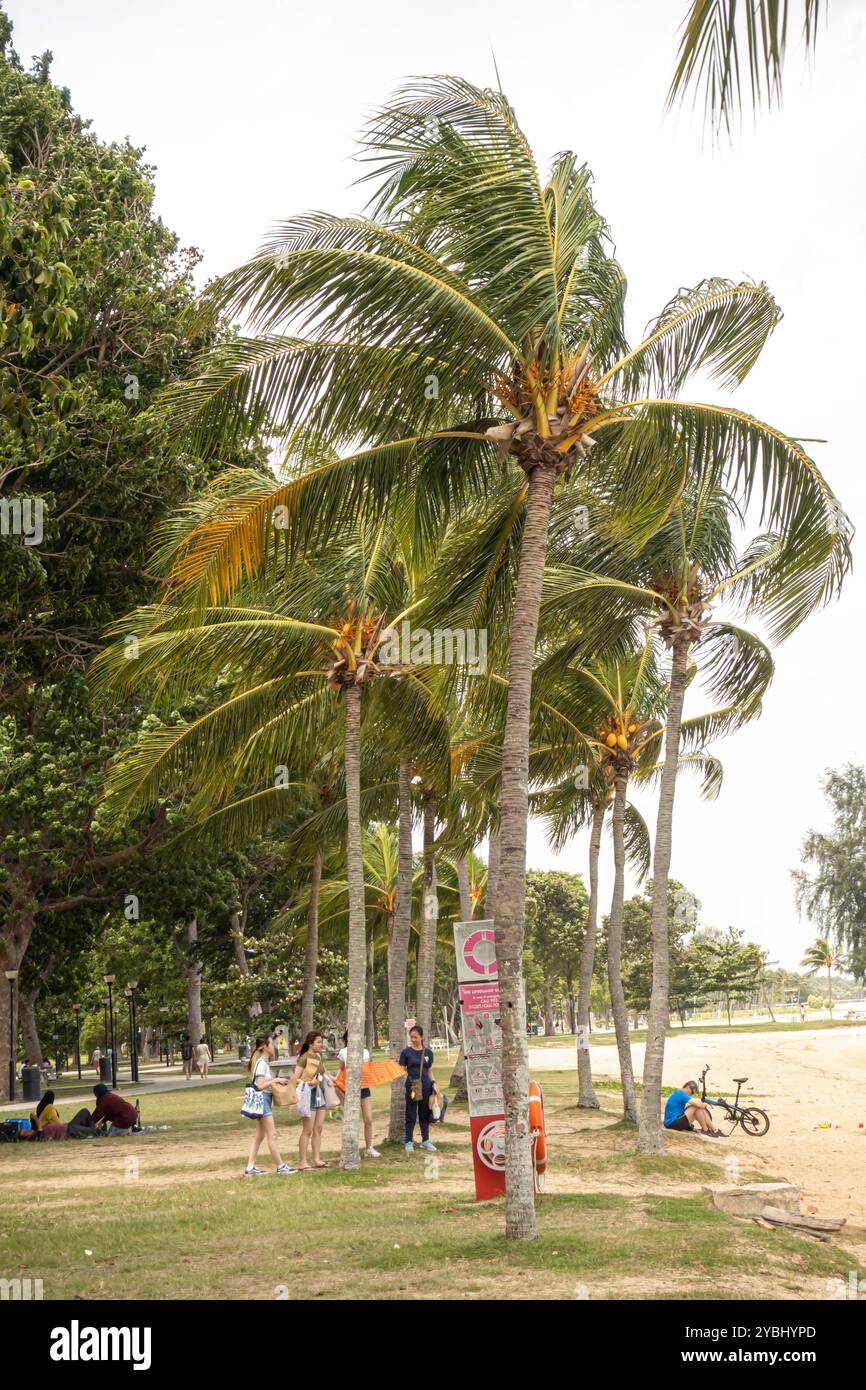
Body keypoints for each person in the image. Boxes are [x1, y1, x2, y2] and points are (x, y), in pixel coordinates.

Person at [242, 1034, 295, 1177]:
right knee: (272, 1135)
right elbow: (260, 1085)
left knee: (259, 1136)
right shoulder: (261, 1063)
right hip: (263, 1100)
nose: (274, 1046)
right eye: (271, 1043)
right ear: (265, 1046)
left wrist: (275, 1080)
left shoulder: (263, 1062)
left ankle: (250, 1167)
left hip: (264, 1100)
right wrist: (276, 1080)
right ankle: (280, 1166)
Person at [337, 1031, 380, 1159]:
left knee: (368, 1119)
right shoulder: (343, 1052)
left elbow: (368, 1069)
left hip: (364, 1089)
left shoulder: (365, 1052)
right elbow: (342, 1070)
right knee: (350, 1120)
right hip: (349, 1090)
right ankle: (351, 1148)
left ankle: (369, 1148)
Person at [292, 1030, 330, 1170]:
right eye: (318, 1042)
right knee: (307, 1130)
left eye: (321, 1042)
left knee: (318, 1128)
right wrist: (309, 1083)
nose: (321, 1044)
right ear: (310, 1043)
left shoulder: (318, 1057)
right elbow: (295, 1079)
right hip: (308, 1094)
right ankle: (302, 1162)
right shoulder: (304, 1058)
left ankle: (316, 1159)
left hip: (320, 1094)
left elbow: (324, 1074)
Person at [398, 1025, 440, 1153]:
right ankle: (409, 1141)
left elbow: (430, 1071)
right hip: (412, 1087)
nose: (413, 1039)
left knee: (424, 1114)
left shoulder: (428, 1053)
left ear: (421, 1037)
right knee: (410, 1114)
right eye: (411, 1037)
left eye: (416, 1037)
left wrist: (434, 1083)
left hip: (426, 1086)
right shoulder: (406, 1052)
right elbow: (402, 1070)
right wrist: (408, 1078)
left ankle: (425, 1141)